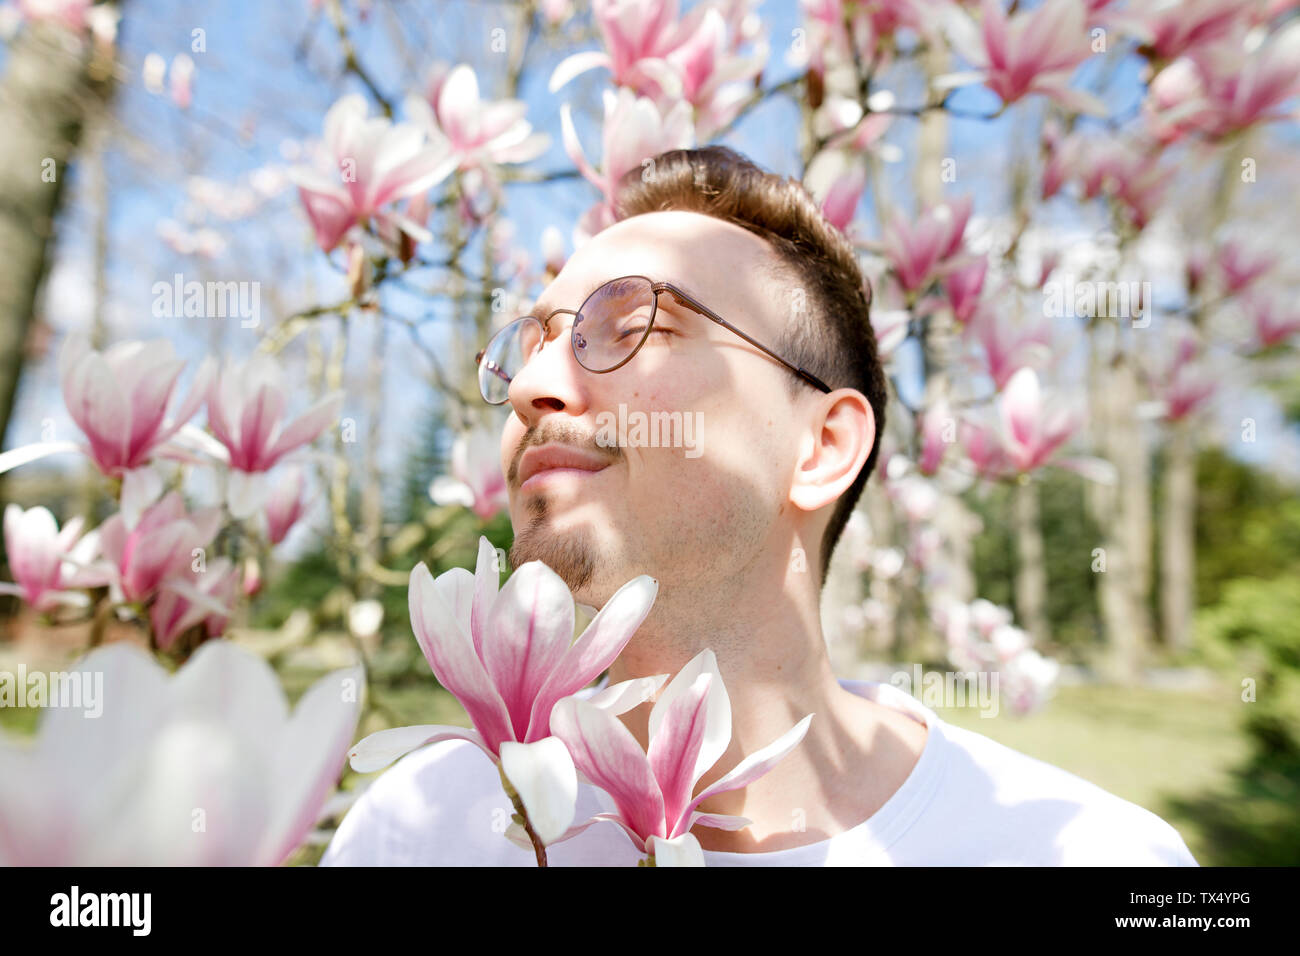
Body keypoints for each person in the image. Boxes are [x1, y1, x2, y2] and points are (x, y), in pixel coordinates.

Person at [322, 146, 1198, 866]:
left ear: (820, 449)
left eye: (634, 327)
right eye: (533, 343)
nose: (534, 388)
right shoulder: (413, 833)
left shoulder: (1097, 858)